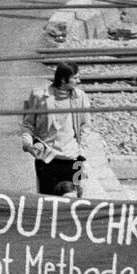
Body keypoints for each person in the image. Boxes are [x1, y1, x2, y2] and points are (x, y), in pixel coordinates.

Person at [21, 62, 90, 195]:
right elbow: (28, 125)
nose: (79, 81)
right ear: (63, 80)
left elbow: (85, 127)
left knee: (76, 200)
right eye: (75, 78)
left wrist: (83, 153)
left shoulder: (80, 97)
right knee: (48, 202)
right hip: (47, 161)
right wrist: (28, 145)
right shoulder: (39, 96)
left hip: (75, 160)